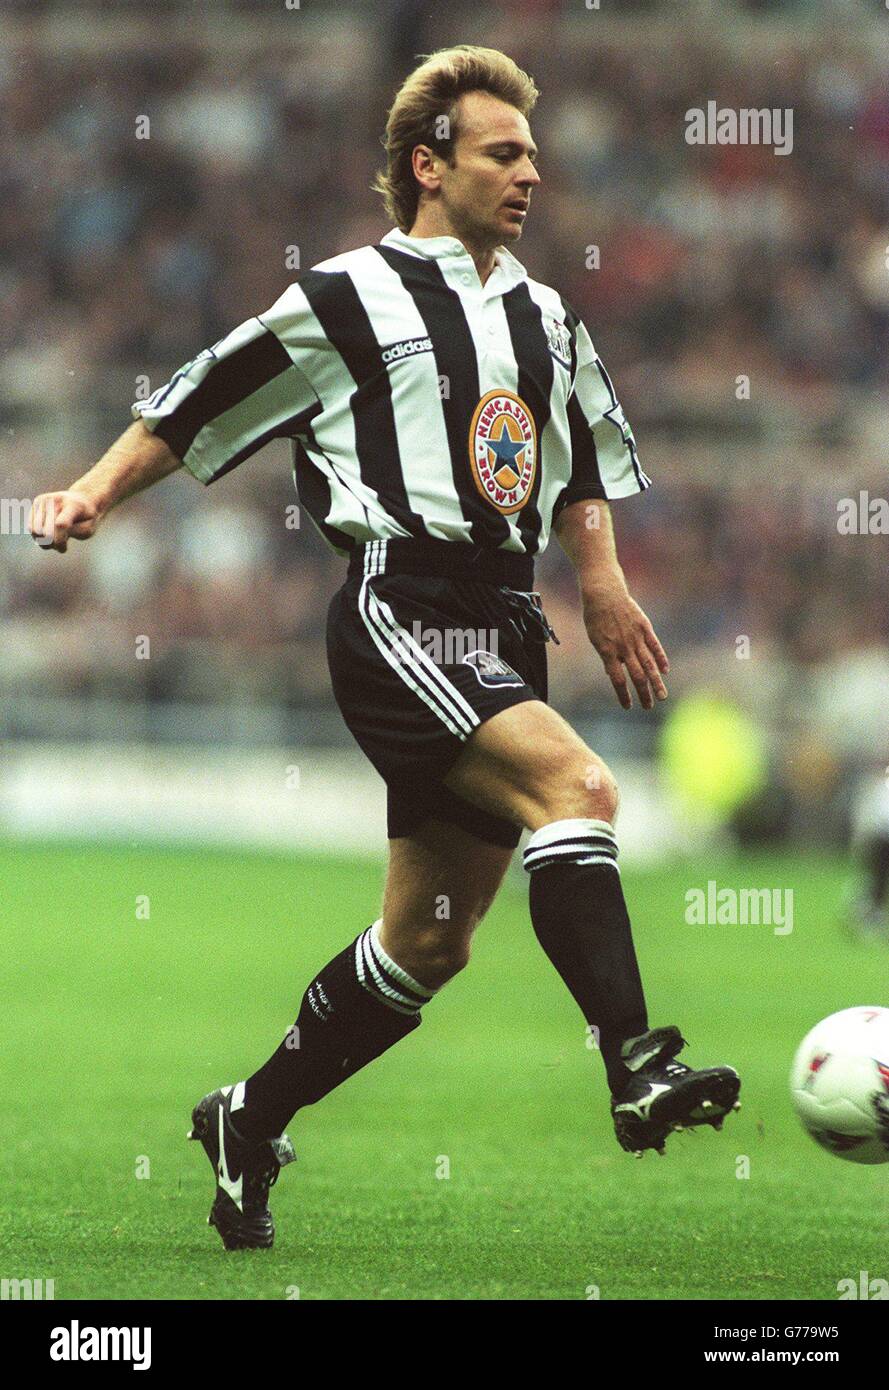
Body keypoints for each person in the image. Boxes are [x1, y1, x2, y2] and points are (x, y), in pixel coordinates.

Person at [30, 45, 740, 1252]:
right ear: (430, 163)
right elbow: (200, 398)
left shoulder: (545, 312)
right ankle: (634, 1065)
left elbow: (578, 464)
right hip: (398, 603)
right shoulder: (345, 296)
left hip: (506, 616)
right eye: (502, 151)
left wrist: (605, 587)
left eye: (531, 152)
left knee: (428, 943)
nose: (530, 172)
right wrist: (93, 490)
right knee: (579, 786)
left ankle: (246, 1119)